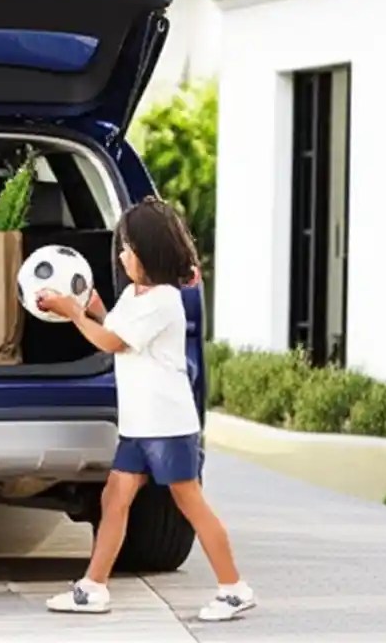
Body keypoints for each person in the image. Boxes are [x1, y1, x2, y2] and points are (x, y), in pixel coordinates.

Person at [38, 196, 256, 622]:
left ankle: (234, 588)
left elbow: (112, 342)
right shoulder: (135, 295)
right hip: (139, 427)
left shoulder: (164, 300)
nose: (121, 257)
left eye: (128, 250)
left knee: (190, 503)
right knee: (114, 497)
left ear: (150, 254)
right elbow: (116, 326)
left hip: (167, 426)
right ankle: (93, 587)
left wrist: (74, 315)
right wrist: (94, 309)